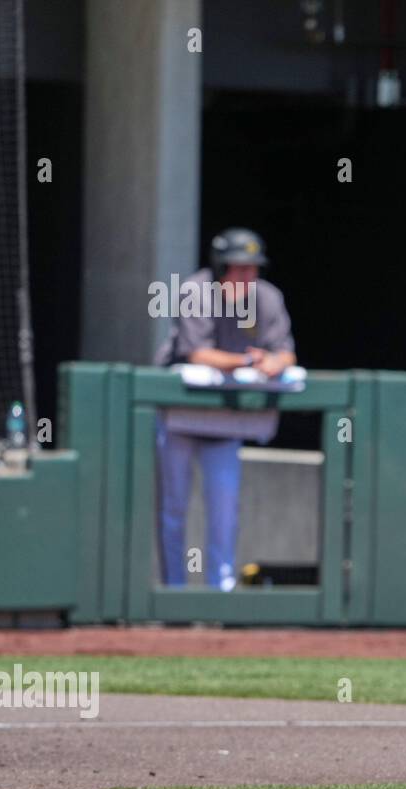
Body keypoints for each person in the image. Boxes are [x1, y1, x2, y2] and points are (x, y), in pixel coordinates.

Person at [154, 227, 297, 591]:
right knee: (174, 509)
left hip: (224, 419)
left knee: (224, 507)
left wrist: (274, 362)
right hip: (181, 415)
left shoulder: (266, 298)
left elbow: (286, 352)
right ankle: (175, 592)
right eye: (239, 269)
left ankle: (222, 591)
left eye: (253, 269)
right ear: (221, 268)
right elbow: (197, 353)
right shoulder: (195, 291)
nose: (248, 277)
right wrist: (246, 362)